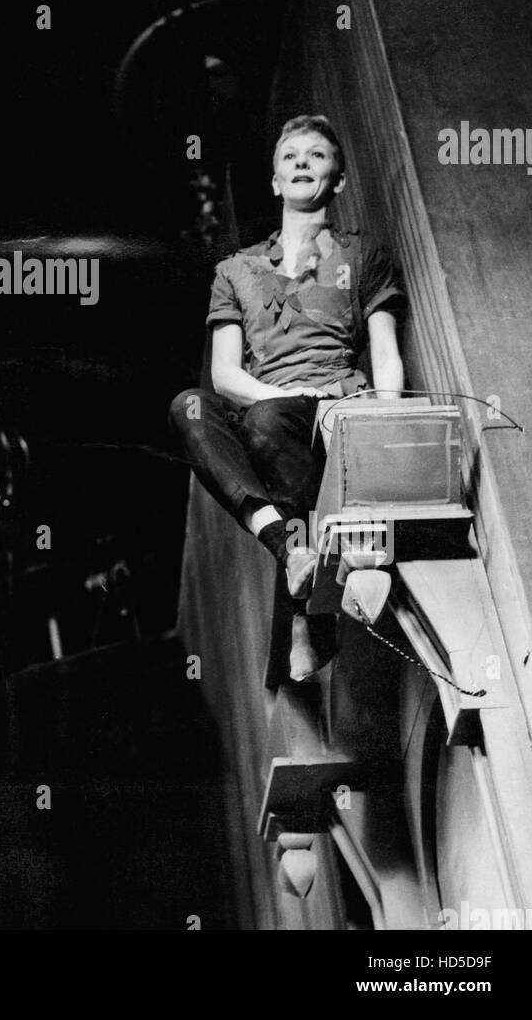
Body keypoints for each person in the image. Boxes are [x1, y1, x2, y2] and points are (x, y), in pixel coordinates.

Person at [170, 113, 407, 680]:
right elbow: (225, 374)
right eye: (291, 156)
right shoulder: (236, 270)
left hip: (336, 406)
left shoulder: (363, 255)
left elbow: (386, 351)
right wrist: (282, 393)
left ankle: (305, 612)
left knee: (272, 421)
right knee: (190, 404)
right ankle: (292, 553)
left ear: (339, 180)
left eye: (318, 155)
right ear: (275, 181)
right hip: (267, 406)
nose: (303, 162)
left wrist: (386, 425)